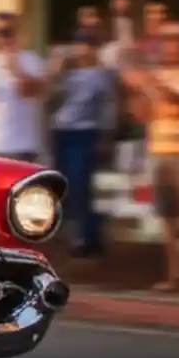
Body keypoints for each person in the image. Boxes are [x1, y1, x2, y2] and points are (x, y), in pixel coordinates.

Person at [119, 21, 179, 292]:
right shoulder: (155, 73)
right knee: (167, 217)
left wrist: (160, 86)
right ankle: (175, 275)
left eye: (176, 39)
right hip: (158, 149)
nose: (171, 45)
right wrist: (136, 92)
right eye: (166, 40)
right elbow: (142, 115)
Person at [51, 31, 116, 257]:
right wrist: (57, 71)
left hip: (86, 132)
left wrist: (105, 136)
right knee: (63, 185)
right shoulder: (67, 74)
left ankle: (88, 236)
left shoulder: (102, 75)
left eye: (87, 45)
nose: (82, 50)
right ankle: (72, 233)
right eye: (79, 45)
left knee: (81, 185)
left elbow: (108, 107)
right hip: (61, 131)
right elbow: (50, 97)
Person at [0, 13, 49, 162]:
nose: (1, 37)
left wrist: (16, 69)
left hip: (22, 147)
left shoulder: (31, 60)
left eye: (6, 32)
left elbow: (34, 92)